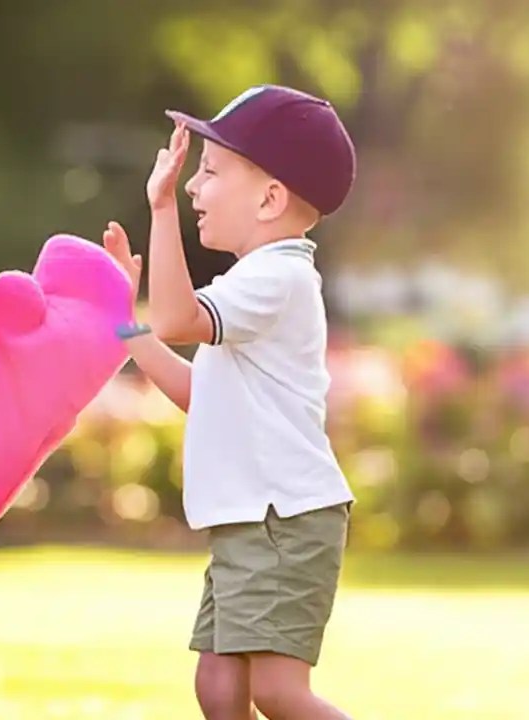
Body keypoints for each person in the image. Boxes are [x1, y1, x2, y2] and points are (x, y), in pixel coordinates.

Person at [103, 84, 358, 720]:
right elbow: (202, 394)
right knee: (217, 687)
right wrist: (124, 322)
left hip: (283, 518)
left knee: (277, 692)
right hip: (255, 517)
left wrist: (161, 208)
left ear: (270, 199)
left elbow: (177, 320)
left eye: (210, 171)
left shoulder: (278, 277)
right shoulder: (254, 282)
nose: (191, 185)